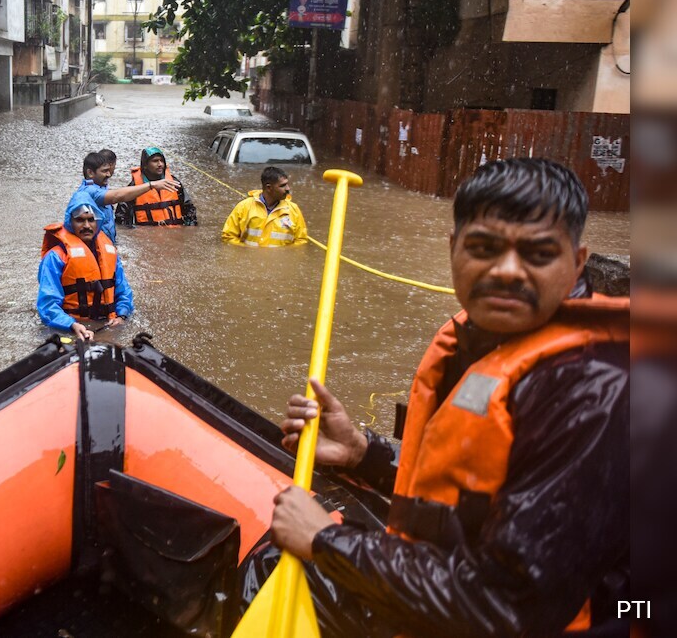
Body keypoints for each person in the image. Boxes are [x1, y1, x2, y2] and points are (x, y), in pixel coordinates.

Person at [267, 158, 628, 636]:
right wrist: (365, 453)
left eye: (538, 254)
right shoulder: (485, 340)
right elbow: (474, 492)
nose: (506, 271)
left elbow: (507, 604)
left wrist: (328, 541)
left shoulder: (590, 387)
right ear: (453, 247)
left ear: (577, 262)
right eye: (483, 248)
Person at [37, 192, 134, 341]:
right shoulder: (55, 257)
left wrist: (121, 315)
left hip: (108, 324)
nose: (87, 226)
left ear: (98, 222)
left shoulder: (110, 252)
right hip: (70, 327)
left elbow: (124, 292)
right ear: (70, 222)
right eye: (80, 220)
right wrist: (71, 325)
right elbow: (48, 304)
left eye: (91, 220)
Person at [76, 150, 180, 243]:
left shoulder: (100, 187)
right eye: (104, 171)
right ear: (90, 173)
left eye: (109, 170)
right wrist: (151, 185)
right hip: (98, 247)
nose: (109, 175)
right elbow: (117, 196)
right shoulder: (89, 192)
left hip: (107, 244)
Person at [220, 166, 307, 247]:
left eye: (287, 184)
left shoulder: (293, 210)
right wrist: (247, 252)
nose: (288, 188)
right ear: (269, 188)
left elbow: (301, 241)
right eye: (282, 185)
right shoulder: (244, 207)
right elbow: (228, 237)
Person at [115, 147, 198, 227]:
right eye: (155, 161)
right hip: (147, 236)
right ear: (145, 165)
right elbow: (121, 217)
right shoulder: (135, 187)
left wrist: (190, 228)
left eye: (162, 161)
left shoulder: (174, 182)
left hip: (175, 233)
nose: (160, 164)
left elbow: (189, 208)